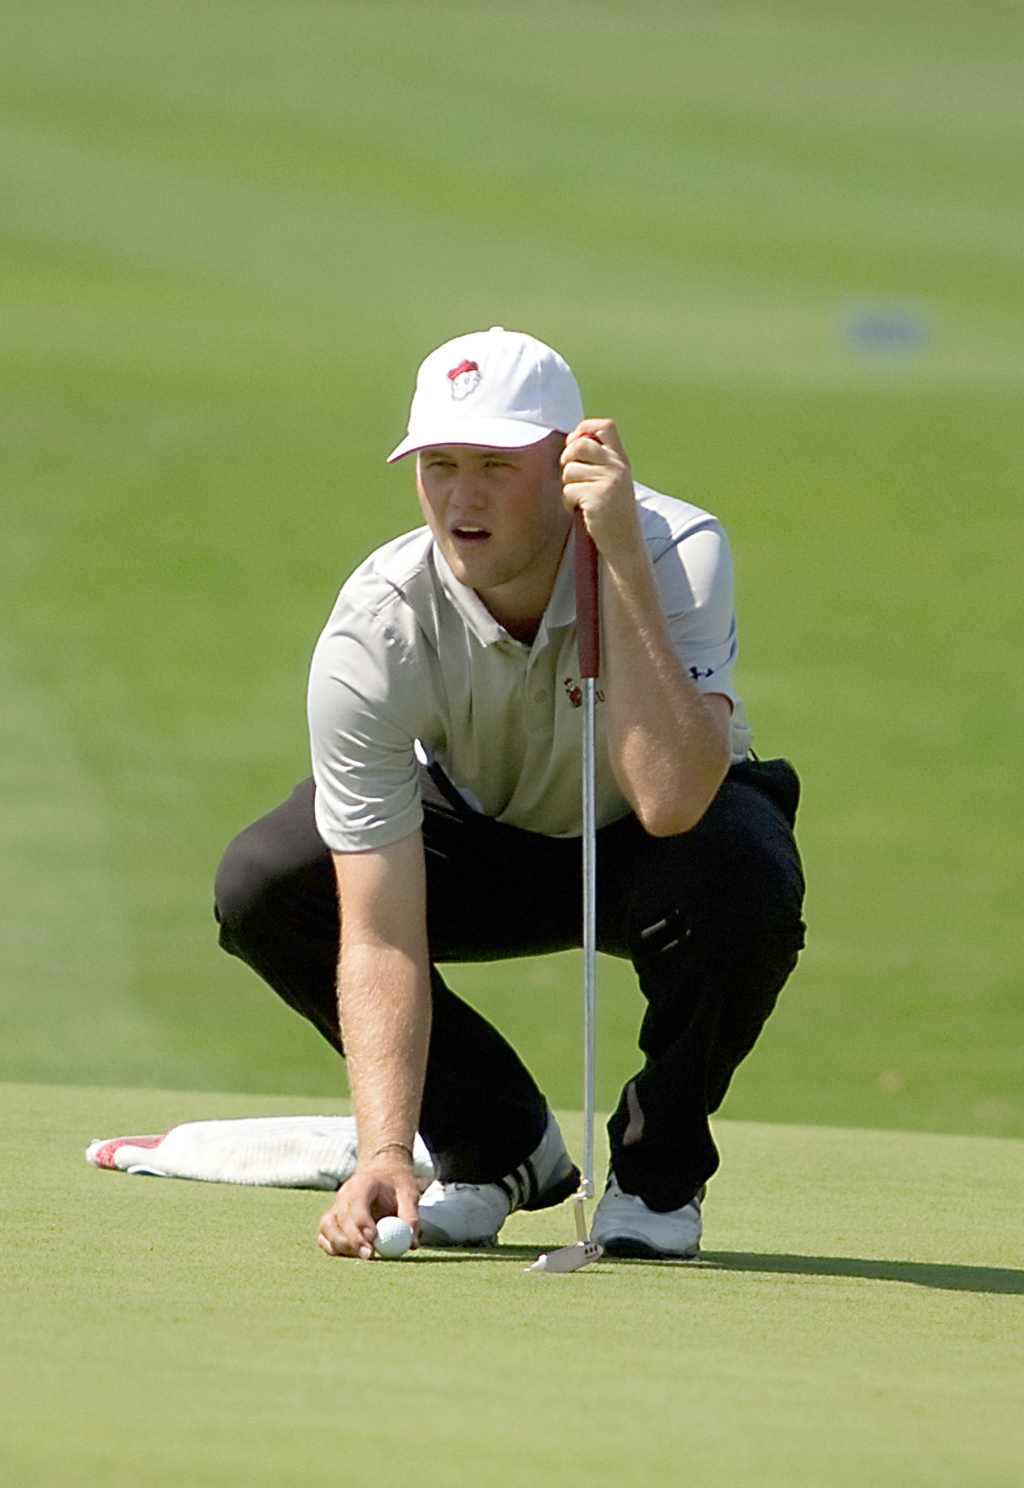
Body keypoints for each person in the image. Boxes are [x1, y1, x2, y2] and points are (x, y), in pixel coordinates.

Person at [214, 327, 805, 1261]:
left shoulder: (675, 547)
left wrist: (619, 562)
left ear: (571, 463)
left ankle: (657, 1183)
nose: (462, 496)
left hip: (651, 847)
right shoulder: (379, 623)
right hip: (478, 837)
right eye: (439, 464)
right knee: (269, 882)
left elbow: (671, 800)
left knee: (744, 874)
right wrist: (380, 1148)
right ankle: (495, 1145)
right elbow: (378, 931)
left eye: (496, 463)